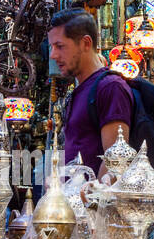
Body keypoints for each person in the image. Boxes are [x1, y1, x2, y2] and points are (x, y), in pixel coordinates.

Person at [49, 9, 133, 177]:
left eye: (60, 46)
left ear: (85, 43)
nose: (53, 55)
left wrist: (90, 200)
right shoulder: (82, 89)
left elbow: (115, 163)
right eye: (52, 47)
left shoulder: (110, 87)